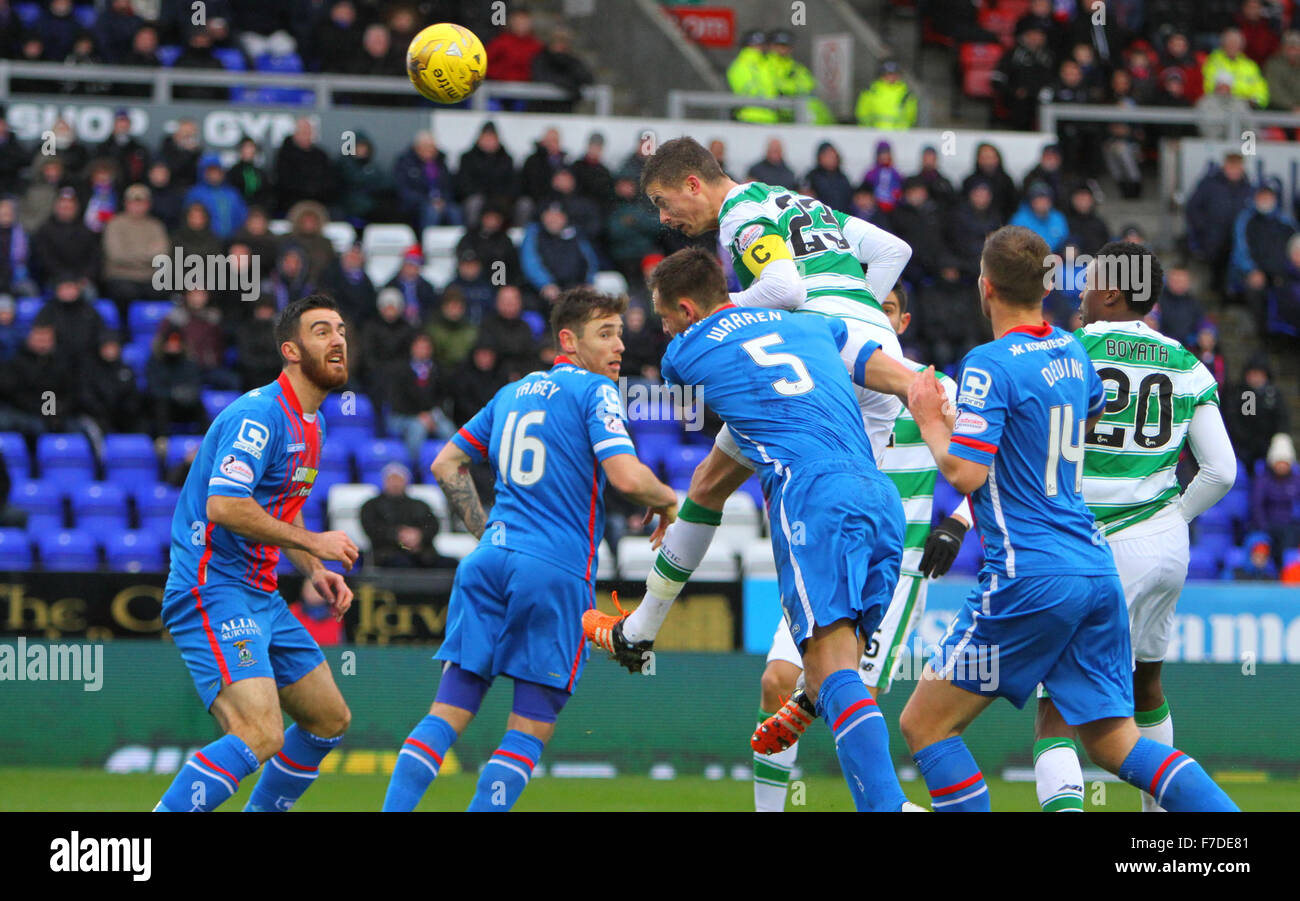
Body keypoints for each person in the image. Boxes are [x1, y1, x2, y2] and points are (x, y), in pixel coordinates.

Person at [584, 137, 914, 740]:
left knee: (822, 508)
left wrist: (723, 311)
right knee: (709, 481)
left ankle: (821, 687)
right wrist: (865, 308)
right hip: (857, 345)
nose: (663, 219)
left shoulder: (738, 216)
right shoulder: (796, 202)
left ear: (693, 184)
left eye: (663, 202)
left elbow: (784, 289)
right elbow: (894, 248)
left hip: (826, 358)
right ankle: (639, 631)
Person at [898, 225, 1236, 812]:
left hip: (1030, 573)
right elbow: (1090, 429)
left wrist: (928, 417)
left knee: (925, 725)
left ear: (986, 288)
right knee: (1114, 740)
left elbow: (967, 474)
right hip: (1095, 567)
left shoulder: (988, 363)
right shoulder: (1072, 353)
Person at [599, 248, 918, 812]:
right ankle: (648, 632)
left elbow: (729, 412)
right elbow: (882, 368)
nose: (663, 328)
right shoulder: (812, 323)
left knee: (834, 667)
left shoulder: (684, 351)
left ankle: (894, 808)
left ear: (684, 307)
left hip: (811, 495)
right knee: (834, 670)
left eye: (665, 315)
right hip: (877, 492)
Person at [381, 287, 677, 812]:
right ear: (568, 340)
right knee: (527, 728)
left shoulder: (511, 393)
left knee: (447, 712)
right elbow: (626, 478)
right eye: (605, 334)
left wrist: (490, 531)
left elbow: (446, 463)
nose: (619, 348)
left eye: (620, 335)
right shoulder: (595, 392)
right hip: (556, 573)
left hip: (489, 561)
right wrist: (669, 498)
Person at [1032, 241, 1237, 812]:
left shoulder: (1070, 351)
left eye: (1091, 281)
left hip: (1098, 544)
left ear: (1115, 293)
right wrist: (1175, 516)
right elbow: (1222, 471)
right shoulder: (1187, 362)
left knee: (1057, 705)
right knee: (1146, 686)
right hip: (1168, 545)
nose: (1080, 292)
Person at [750, 285, 972, 811]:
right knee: (777, 682)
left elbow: (991, 456)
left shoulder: (934, 387)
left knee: (846, 695)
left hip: (895, 570)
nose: (877, 320)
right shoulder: (823, 382)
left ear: (902, 321)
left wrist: (960, 521)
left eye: (887, 311)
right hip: (825, 558)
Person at [153, 295, 357, 812]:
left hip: (262, 595)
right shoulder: (259, 416)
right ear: (290, 350)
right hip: (213, 589)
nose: (337, 340)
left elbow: (285, 508)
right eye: (321, 332)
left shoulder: (315, 424)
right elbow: (224, 506)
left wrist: (314, 571)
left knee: (329, 718)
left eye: (340, 330)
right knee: (260, 733)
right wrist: (316, 544)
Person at [360, 462, 452, 569]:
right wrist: (398, 536)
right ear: (384, 481)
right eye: (391, 479)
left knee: (450, 564)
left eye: (399, 479)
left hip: (422, 553)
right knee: (402, 564)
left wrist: (419, 536)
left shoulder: (420, 505)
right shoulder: (371, 506)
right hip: (388, 554)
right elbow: (372, 529)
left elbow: (433, 526)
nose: (395, 483)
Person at [383, 332, 454, 463]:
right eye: (419, 347)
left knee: (448, 429)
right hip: (403, 416)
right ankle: (414, 469)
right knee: (418, 428)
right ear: (412, 348)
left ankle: (451, 467)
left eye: (426, 347)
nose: (422, 351)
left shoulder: (438, 371)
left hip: (431, 415)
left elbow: (443, 397)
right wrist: (419, 415)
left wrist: (432, 415)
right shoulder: (399, 371)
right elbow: (397, 401)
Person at [1249, 433, 1300, 567]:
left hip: (1290, 527)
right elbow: (1257, 505)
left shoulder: (1296, 480)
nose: (1282, 466)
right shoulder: (1263, 479)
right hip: (1267, 525)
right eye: (1279, 462)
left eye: (1285, 462)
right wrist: (1263, 527)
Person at [727, 30, 779, 124]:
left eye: (762, 45)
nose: (761, 48)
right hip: (748, 117)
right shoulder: (742, 64)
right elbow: (746, 90)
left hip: (770, 117)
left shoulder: (765, 63)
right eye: (757, 45)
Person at [855, 60, 918, 129]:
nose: (891, 77)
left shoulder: (907, 94)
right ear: (882, 75)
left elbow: (911, 117)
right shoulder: (871, 91)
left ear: (899, 75)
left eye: (894, 74)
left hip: (900, 135)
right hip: (874, 133)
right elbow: (862, 115)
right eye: (888, 74)